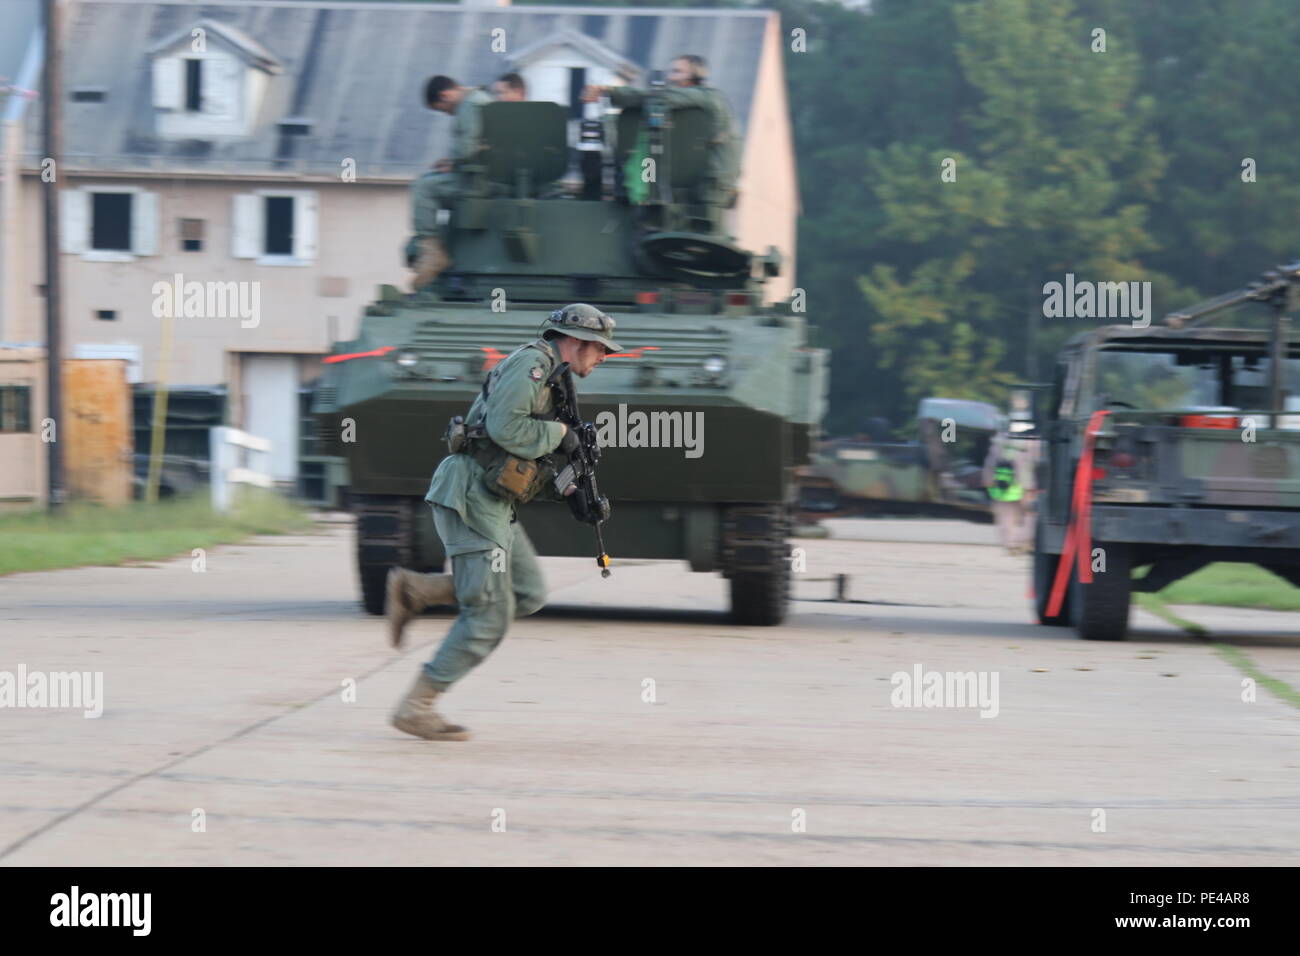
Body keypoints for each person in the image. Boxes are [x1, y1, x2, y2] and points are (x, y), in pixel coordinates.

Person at [387, 304, 622, 741]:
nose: (603, 357)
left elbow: (525, 456)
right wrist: (561, 436)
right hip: (471, 497)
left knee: (528, 592)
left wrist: (571, 491)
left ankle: (414, 590)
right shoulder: (533, 365)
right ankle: (415, 707)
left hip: (494, 501)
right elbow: (505, 428)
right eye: (600, 349)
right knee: (489, 615)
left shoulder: (556, 379)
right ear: (574, 342)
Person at [582, 54, 740, 208]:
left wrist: (608, 91)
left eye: (678, 72)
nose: (671, 78)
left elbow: (660, 98)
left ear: (695, 75)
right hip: (697, 185)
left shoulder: (708, 97)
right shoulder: (688, 103)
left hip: (713, 185)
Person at [408, 76, 495, 289]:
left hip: (479, 182)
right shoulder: (483, 98)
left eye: (442, 108)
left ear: (445, 95)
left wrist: (454, 164)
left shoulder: (469, 106)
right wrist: (452, 163)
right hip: (490, 176)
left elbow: (467, 150)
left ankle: (431, 252)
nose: (447, 113)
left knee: (424, 186)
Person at [983, 428, 1036, 554]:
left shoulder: (999, 442)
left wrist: (988, 481)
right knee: (1030, 515)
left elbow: (990, 464)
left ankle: (1010, 544)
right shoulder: (1031, 441)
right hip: (1026, 485)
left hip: (1003, 487)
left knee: (1006, 517)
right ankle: (1026, 542)